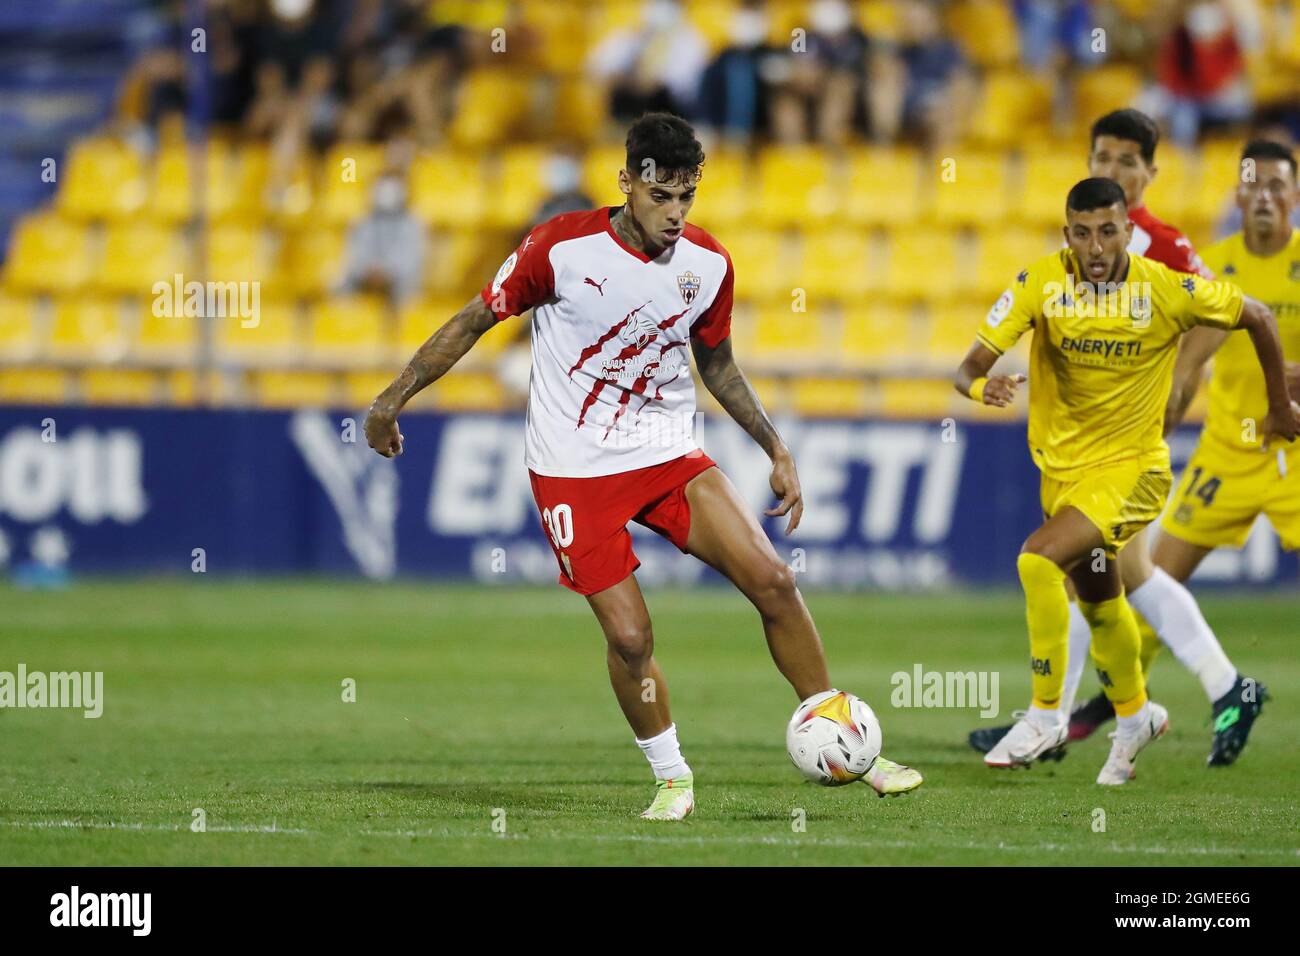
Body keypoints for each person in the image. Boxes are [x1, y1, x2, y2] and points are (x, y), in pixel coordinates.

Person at [362, 112, 922, 819]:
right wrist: (391, 400)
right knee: (630, 638)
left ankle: (849, 744)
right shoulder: (558, 248)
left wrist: (774, 447)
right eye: (662, 197)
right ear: (627, 182)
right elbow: (476, 319)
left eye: (688, 197)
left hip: (665, 451)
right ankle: (672, 777)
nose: (677, 214)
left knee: (775, 580)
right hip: (570, 464)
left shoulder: (708, 265)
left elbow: (717, 366)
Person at [954, 176, 1297, 784]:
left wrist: (1279, 408)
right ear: (1067, 235)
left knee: (1037, 561)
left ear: (1126, 233)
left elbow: (1259, 315)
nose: (1095, 246)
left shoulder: (1164, 288)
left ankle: (1044, 714)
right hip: (1063, 475)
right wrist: (987, 386)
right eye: (1082, 233)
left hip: (1134, 472)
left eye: (1108, 231)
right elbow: (968, 369)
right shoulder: (1040, 283)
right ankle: (1136, 717)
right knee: (1102, 596)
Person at [1160, 140, 1300, 761]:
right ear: (1238, 196)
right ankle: (1096, 711)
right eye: (1254, 186)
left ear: (1294, 195)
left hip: (1295, 454)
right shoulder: (1210, 270)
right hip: (1224, 455)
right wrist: (1159, 418)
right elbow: (1185, 370)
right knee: (1152, 586)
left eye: (1278, 185)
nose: (1265, 196)